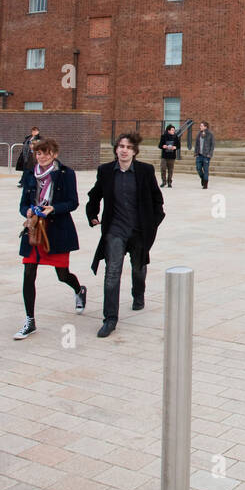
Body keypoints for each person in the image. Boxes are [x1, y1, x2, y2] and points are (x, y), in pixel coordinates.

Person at [85, 133, 164, 338]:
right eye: (120, 146)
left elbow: (157, 201)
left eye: (128, 147)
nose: (124, 150)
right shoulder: (105, 171)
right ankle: (110, 319)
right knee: (112, 272)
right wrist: (92, 214)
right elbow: (95, 195)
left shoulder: (145, 171)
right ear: (116, 149)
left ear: (135, 151)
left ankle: (138, 295)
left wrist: (152, 225)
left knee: (139, 268)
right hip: (115, 231)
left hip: (139, 231)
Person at [13, 137, 86, 340]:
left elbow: (73, 202)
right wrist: (27, 211)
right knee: (29, 272)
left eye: (46, 153)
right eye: (38, 153)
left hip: (57, 230)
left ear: (54, 154)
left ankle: (79, 289)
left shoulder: (66, 174)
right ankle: (30, 320)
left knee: (62, 274)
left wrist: (54, 208)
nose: (42, 157)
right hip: (34, 230)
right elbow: (22, 204)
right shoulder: (29, 175)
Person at [194, 121, 215, 188]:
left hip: (206, 155)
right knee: (198, 168)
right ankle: (202, 178)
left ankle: (205, 184)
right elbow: (196, 144)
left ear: (205, 127)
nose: (200, 127)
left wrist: (210, 154)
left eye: (201, 126)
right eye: (200, 126)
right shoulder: (199, 134)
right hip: (199, 155)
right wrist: (196, 153)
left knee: (206, 170)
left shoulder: (210, 134)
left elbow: (212, 145)